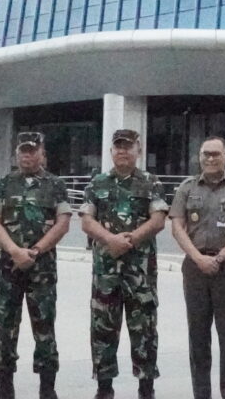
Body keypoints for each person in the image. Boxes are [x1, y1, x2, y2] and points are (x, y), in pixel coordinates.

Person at [79, 128, 168, 399]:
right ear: (111, 151)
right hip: (106, 274)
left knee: (144, 332)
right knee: (103, 331)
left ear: (138, 150)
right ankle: (104, 388)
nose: (123, 151)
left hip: (140, 274)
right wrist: (109, 239)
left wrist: (129, 240)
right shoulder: (97, 183)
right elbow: (86, 220)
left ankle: (146, 388)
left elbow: (159, 219)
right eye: (118, 146)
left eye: (128, 146)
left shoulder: (151, 182)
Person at [0, 132, 73, 399]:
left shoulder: (56, 185)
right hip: (8, 268)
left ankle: (47, 389)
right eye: (23, 150)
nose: (27, 155)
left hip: (42, 269)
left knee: (45, 328)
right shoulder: (3, 184)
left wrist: (34, 251)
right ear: (16, 153)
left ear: (41, 153)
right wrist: (14, 251)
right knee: (6, 328)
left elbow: (63, 222)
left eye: (32, 150)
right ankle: (4, 387)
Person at [170, 136, 225, 399]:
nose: (210, 158)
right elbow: (177, 226)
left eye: (216, 154)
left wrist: (219, 259)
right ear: (199, 156)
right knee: (198, 335)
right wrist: (198, 258)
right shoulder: (187, 188)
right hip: (195, 267)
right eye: (206, 153)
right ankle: (201, 394)